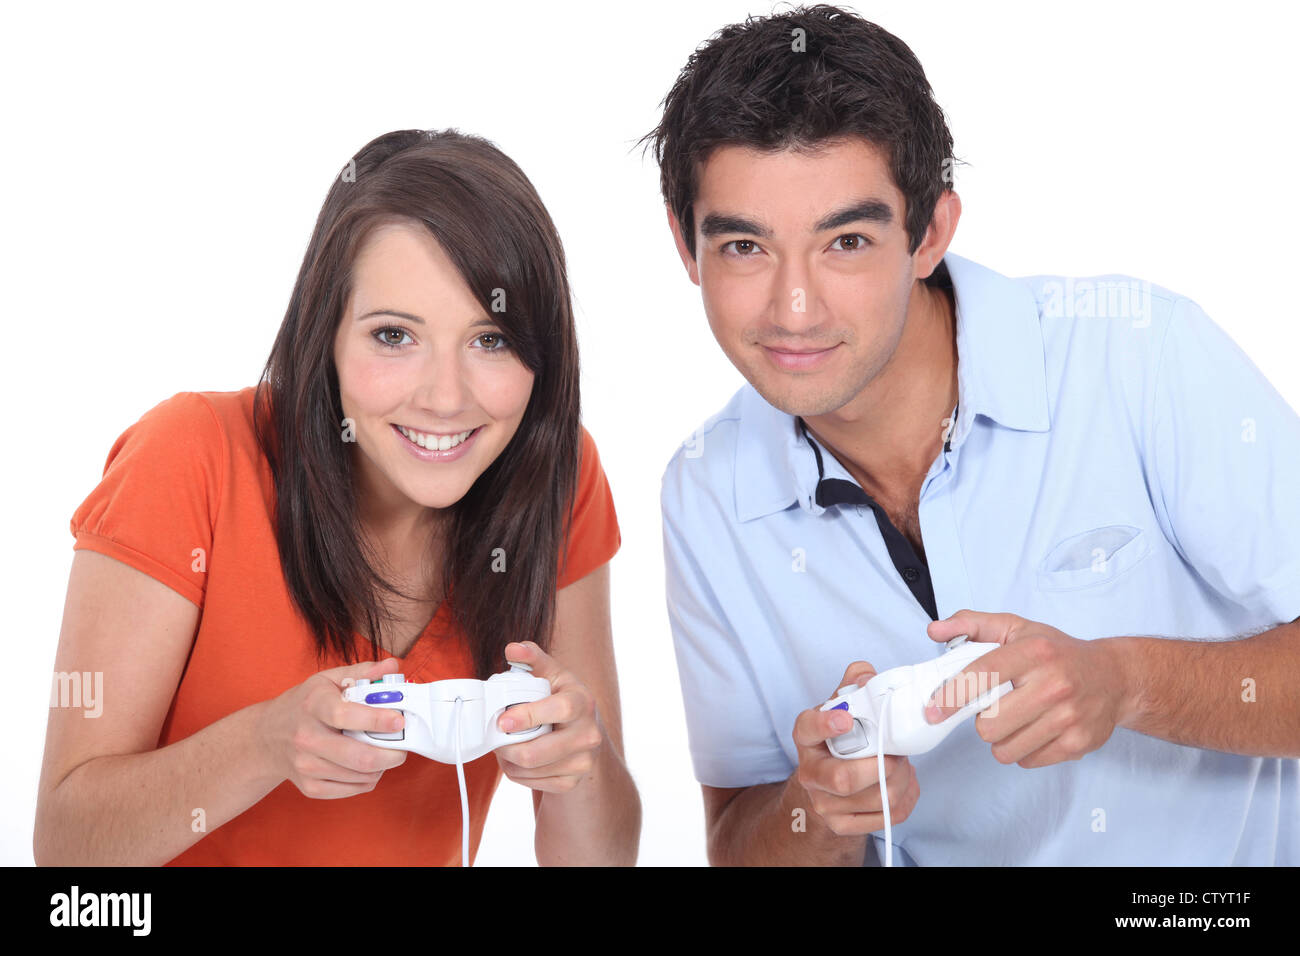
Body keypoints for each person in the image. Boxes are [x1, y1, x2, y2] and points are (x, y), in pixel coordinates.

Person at [645, 5, 1300, 865]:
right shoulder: (704, 487)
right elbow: (738, 844)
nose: (793, 309)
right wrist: (819, 806)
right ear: (686, 248)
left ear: (930, 233)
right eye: (744, 247)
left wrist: (1125, 681)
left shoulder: (1138, 352)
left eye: (846, 240)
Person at [35, 128, 641, 866]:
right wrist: (262, 746)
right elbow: (68, 846)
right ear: (324, 336)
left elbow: (597, 860)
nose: (446, 399)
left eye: (490, 340)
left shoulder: (559, 473)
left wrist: (580, 762)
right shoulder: (190, 455)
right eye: (393, 335)